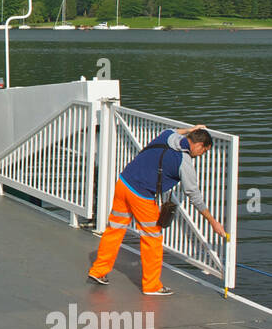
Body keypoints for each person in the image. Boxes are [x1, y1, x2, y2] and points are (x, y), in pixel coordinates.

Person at [88, 124, 227, 295]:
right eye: (204, 151)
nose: (201, 155)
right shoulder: (184, 162)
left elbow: (176, 131)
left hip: (123, 183)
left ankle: (98, 271)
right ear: (199, 145)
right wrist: (213, 222)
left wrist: (192, 128)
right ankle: (152, 286)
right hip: (141, 195)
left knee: (114, 229)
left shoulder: (168, 136)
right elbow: (194, 194)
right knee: (152, 238)